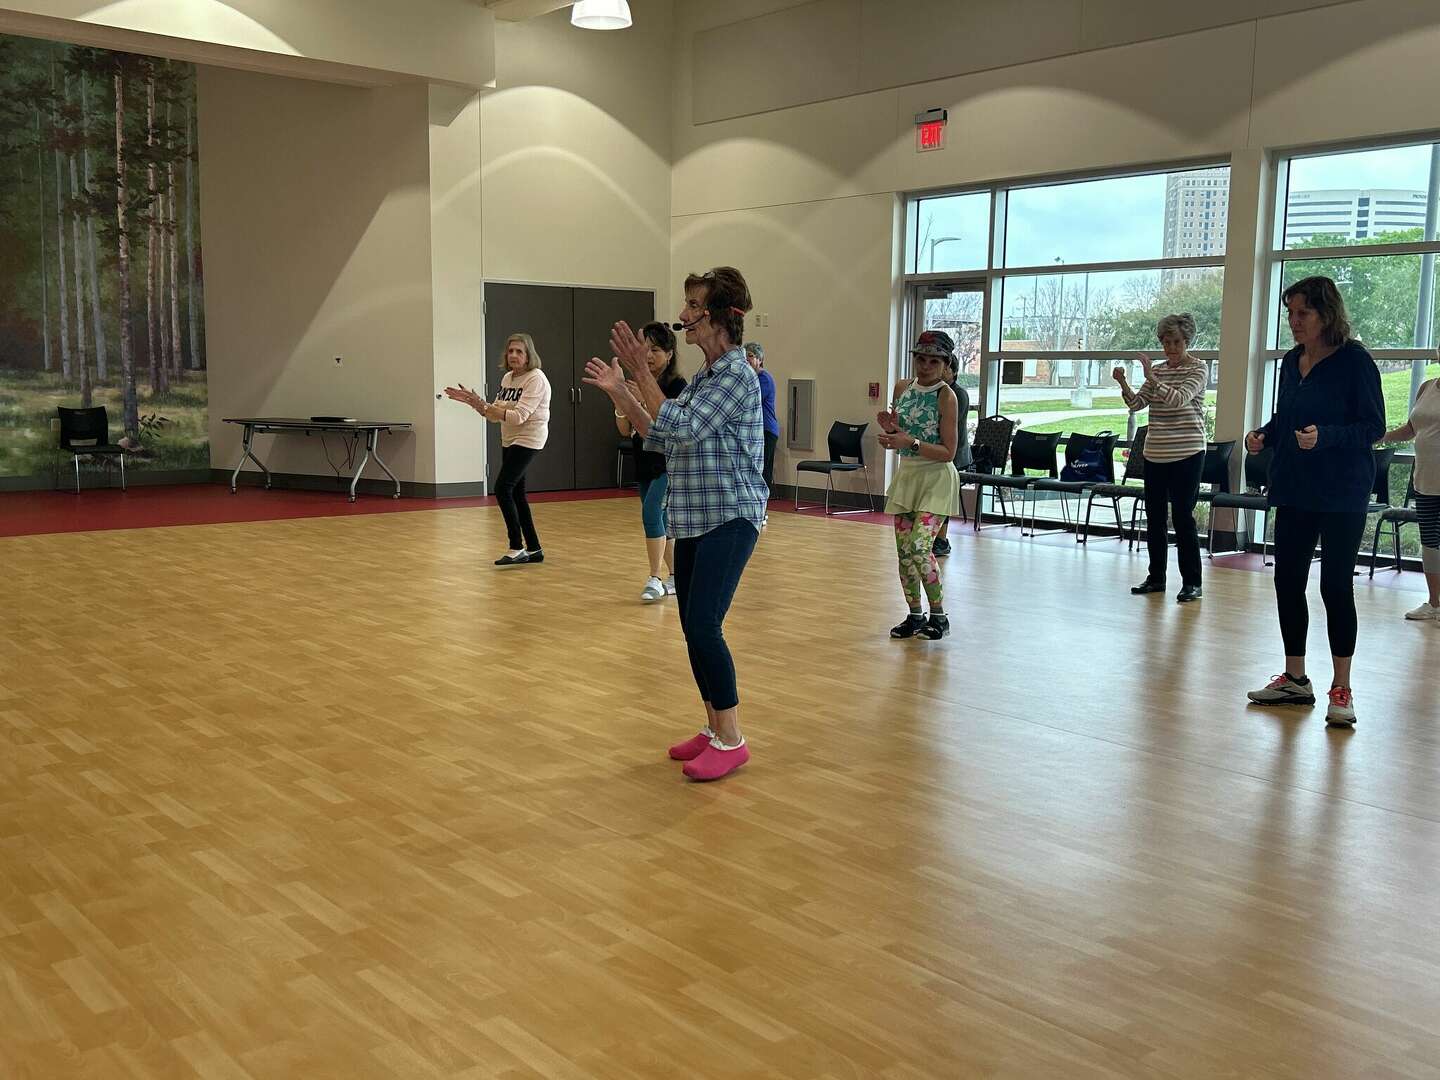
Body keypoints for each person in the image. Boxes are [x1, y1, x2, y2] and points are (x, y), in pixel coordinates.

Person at [583, 266, 766, 781]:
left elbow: (680, 427)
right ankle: (713, 728)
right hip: (695, 517)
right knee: (691, 626)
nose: (683, 316)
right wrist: (621, 390)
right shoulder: (708, 376)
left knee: (705, 625)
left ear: (719, 316)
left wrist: (642, 372)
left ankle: (732, 739)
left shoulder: (736, 374)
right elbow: (659, 435)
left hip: (731, 516)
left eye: (692, 306)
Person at [1244, 276, 1385, 727]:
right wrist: (1265, 434)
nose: (1294, 321)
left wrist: (1326, 438)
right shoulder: (1291, 362)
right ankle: (1295, 678)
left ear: (1327, 314)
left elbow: (1373, 427)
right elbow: (1287, 417)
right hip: (1294, 486)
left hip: (1342, 491)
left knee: (1334, 586)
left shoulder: (1355, 362)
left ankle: (1341, 687)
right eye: (1290, 312)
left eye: (1302, 312)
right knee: (1288, 581)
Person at [1112, 313, 1209, 603]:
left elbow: (1178, 398)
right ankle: (1156, 578)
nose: (1170, 348)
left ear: (1186, 341)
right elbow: (1137, 404)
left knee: (1182, 516)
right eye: (1166, 343)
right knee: (1153, 517)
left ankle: (1192, 582)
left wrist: (1152, 378)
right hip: (1156, 452)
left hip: (1188, 451)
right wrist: (1123, 383)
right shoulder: (1158, 371)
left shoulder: (1199, 369)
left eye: (1176, 342)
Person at [877, 330, 961, 639]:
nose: (925, 366)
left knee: (919, 547)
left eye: (933, 361)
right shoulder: (902, 387)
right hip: (909, 475)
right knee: (904, 553)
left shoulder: (946, 396)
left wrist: (908, 441)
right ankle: (914, 615)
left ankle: (938, 616)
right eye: (920, 359)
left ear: (945, 364)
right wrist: (891, 436)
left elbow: (948, 451)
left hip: (936, 478)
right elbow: (902, 437)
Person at [444, 331, 551, 566]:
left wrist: (487, 407)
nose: (513, 355)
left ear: (528, 355)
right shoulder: (507, 379)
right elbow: (495, 415)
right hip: (510, 439)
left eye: (519, 351)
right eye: (510, 351)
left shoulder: (536, 378)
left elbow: (519, 416)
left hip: (529, 437)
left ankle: (516, 546)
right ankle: (534, 549)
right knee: (516, 493)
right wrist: (476, 404)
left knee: (503, 488)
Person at [614, 322, 687, 602]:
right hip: (644, 460)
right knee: (662, 522)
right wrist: (622, 399)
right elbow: (623, 429)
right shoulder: (636, 382)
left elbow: (667, 424)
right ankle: (677, 577)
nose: (648, 356)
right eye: (644, 349)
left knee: (652, 513)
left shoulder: (678, 386)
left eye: (655, 350)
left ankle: (655, 578)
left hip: (668, 462)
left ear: (669, 354)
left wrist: (641, 399)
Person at [1380, 346, 1440, 621]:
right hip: (1426, 477)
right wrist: (1381, 436)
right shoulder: (1427, 387)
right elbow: (1411, 429)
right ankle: (1434, 603)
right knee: (1430, 540)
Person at [931, 352, 971, 557]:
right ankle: (935, 537)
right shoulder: (937, 392)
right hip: (937, 453)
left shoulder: (957, 394)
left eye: (943, 368)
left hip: (957, 454)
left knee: (943, 497)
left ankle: (941, 539)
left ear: (952, 371)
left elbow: (949, 426)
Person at [744, 342, 779, 524]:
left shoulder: (764, 379)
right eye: (745, 355)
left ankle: (762, 511)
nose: (747, 359)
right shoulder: (747, 378)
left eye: (751, 356)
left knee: (763, 470)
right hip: (753, 431)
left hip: (766, 430)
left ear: (759, 360)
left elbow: (751, 400)